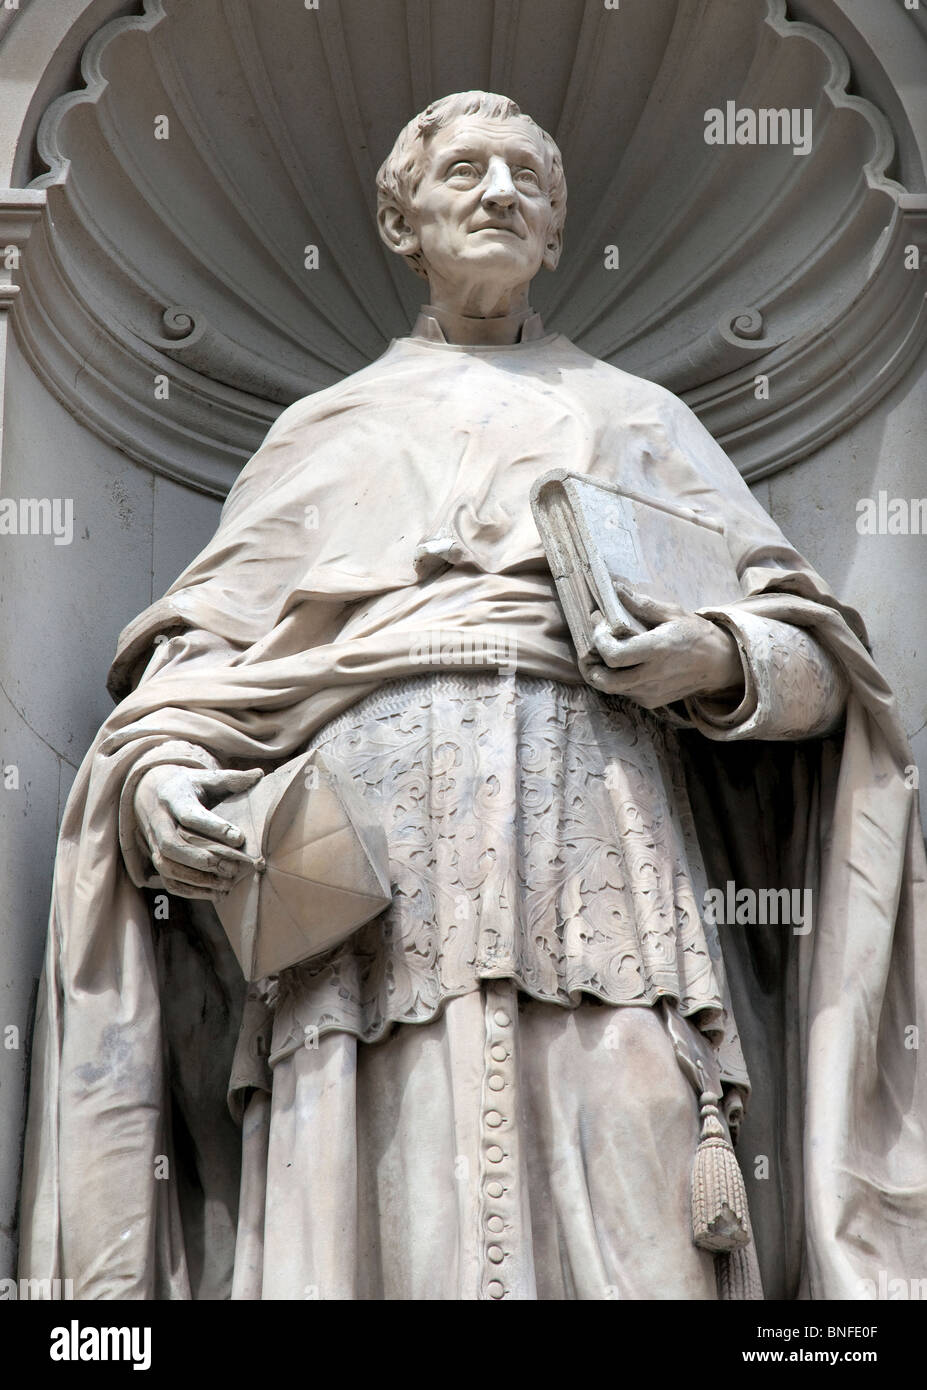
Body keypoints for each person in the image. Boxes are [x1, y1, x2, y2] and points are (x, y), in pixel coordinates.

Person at [19, 91, 927, 1301]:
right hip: (357, 887)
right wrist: (166, 781)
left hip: (606, 854)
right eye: (464, 172)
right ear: (405, 221)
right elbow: (195, 678)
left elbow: (823, 674)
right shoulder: (322, 432)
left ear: (555, 232)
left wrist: (710, 658)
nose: (499, 192)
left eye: (527, 179)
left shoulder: (641, 421)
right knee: (382, 1204)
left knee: (640, 1156)